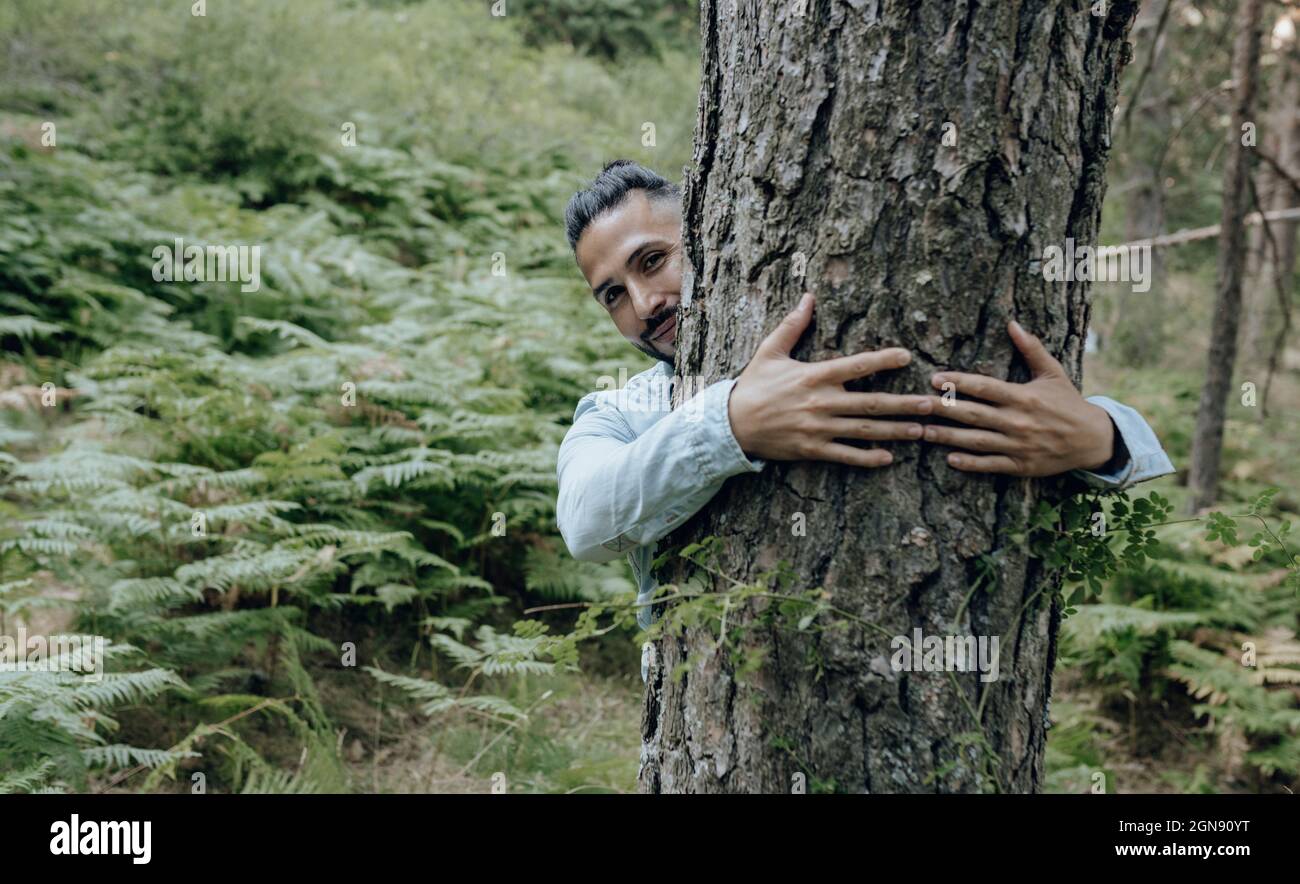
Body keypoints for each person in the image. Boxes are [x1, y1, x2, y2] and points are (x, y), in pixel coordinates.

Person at [555, 160, 1174, 682]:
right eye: (612, 294)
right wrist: (729, 424)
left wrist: (1101, 438)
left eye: (653, 260)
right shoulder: (620, 410)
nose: (643, 304)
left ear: (711, 227)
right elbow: (585, 521)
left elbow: (1099, 425)